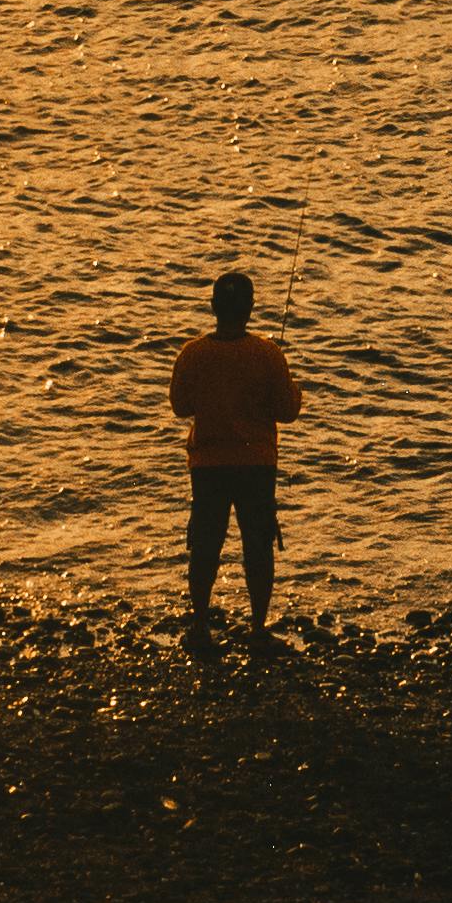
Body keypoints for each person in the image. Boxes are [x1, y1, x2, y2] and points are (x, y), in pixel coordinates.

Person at [169, 269, 301, 642]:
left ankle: (199, 626)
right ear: (251, 309)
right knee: (258, 544)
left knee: (206, 543)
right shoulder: (268, 354)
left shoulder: (193, 353)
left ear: (213, 307)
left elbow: (180, 406)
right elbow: (287, 411)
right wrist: (297, 392)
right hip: (256, 463)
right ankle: (258, 628)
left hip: (208, 464)